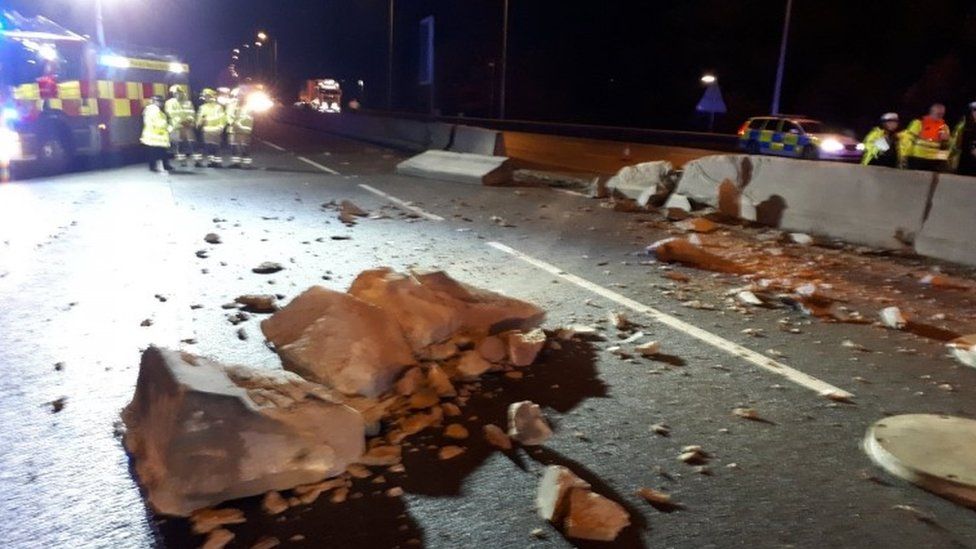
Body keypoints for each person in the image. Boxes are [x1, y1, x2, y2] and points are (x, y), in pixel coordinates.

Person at [900, 103, 952, 171]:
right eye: (938, 113)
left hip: (934, 161)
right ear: (931, 112)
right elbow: (907, 140)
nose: (940, 116)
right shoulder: (918, 123)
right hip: (917, 158)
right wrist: (905, 155)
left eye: (942, 114)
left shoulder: (944, 127)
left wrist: (942, 161)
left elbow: (945, 147)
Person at [164, 85, 197, 167]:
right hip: (176, 127)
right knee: (178, 144)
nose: (176, 95)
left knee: (191, 143)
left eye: (178, 93)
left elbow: (192, 113)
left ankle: (197, 161)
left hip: (187, 127)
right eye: (175, 93)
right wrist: (181, 121)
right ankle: (182, 161)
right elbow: (170, 114)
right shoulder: (169, 103)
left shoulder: (188, 103)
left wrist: (189, 120)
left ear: (182, 93)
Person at [140, 95, 172, 172]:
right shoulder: (155, 110)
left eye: (162, 102)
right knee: (160, 151)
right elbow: (160, 122)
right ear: (154, 102)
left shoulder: (150, 109)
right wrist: (169, 128)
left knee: (154, 152)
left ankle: (155, 166)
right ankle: (162, 166)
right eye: (160, 101)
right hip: (156, 135)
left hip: (153, 135)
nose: (161, 103)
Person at [196, 88, 226, 167]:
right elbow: (199, 119)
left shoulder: (218, 107)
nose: (206, 98)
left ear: (212, 96)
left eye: (207, 96)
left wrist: (220, 128)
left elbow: (222, 119)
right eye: (205, 96)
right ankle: (211, 162)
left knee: (216, 147)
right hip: (206, 130)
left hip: (216, 130)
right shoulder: (202, 107)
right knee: (209, 147)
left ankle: (218, 163)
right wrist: (198, 124)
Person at [227, 89, 255, 168]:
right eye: (238, 96)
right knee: (234, 146)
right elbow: (228, 115)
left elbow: (248, 117)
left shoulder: (249, 106)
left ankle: (247, 164)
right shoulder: (231, 105)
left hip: (244, 130)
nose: (240, 97)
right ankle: (236, 163)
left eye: (241, 96)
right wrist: (232, 123)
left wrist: (237, 124)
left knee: (244, 146)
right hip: (233, 129)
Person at [950, 101, 976, 176]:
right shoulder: (963, 125)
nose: (975, 113)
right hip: (963, 164)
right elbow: (954, 143)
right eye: (974, 110)